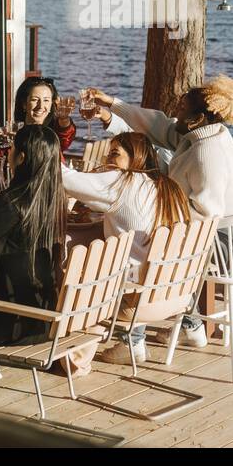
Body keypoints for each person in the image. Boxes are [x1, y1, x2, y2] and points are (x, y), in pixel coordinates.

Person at [85, 76, 233, 348]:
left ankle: (133, 338)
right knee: (154, 242)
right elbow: (159, 125)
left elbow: (207, 214)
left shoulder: (207, 153)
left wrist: (156, 218)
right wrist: (113, 104)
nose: (175, 113)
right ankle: (188, 326)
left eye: (181, 109)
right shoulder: (201, 135)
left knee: (147, 243)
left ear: (196, 118)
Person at [61, 131, 192, 364]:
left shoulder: (122, 181)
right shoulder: (168, 186)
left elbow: (66, 179)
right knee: (124, 261)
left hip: (137, 304)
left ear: (136, 158)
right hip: (178, 296)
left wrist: (39, 149)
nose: (108, 160)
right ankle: (133, 344)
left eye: (115, 154)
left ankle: (74, 361)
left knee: (76, 275)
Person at [0, 124, 65, 345]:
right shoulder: (56, 200)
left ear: (21, 158)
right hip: (44, 319)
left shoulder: (10, 201)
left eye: (12, 149)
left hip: (9, 323)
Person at [13, 76, 77, 152]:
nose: (41, 106)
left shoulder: (53, 135)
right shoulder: (13, 135)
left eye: (46, 100)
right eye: (35, 100)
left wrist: (64, 119)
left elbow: (64, 138)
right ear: (24, 104)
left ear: (51, 104)